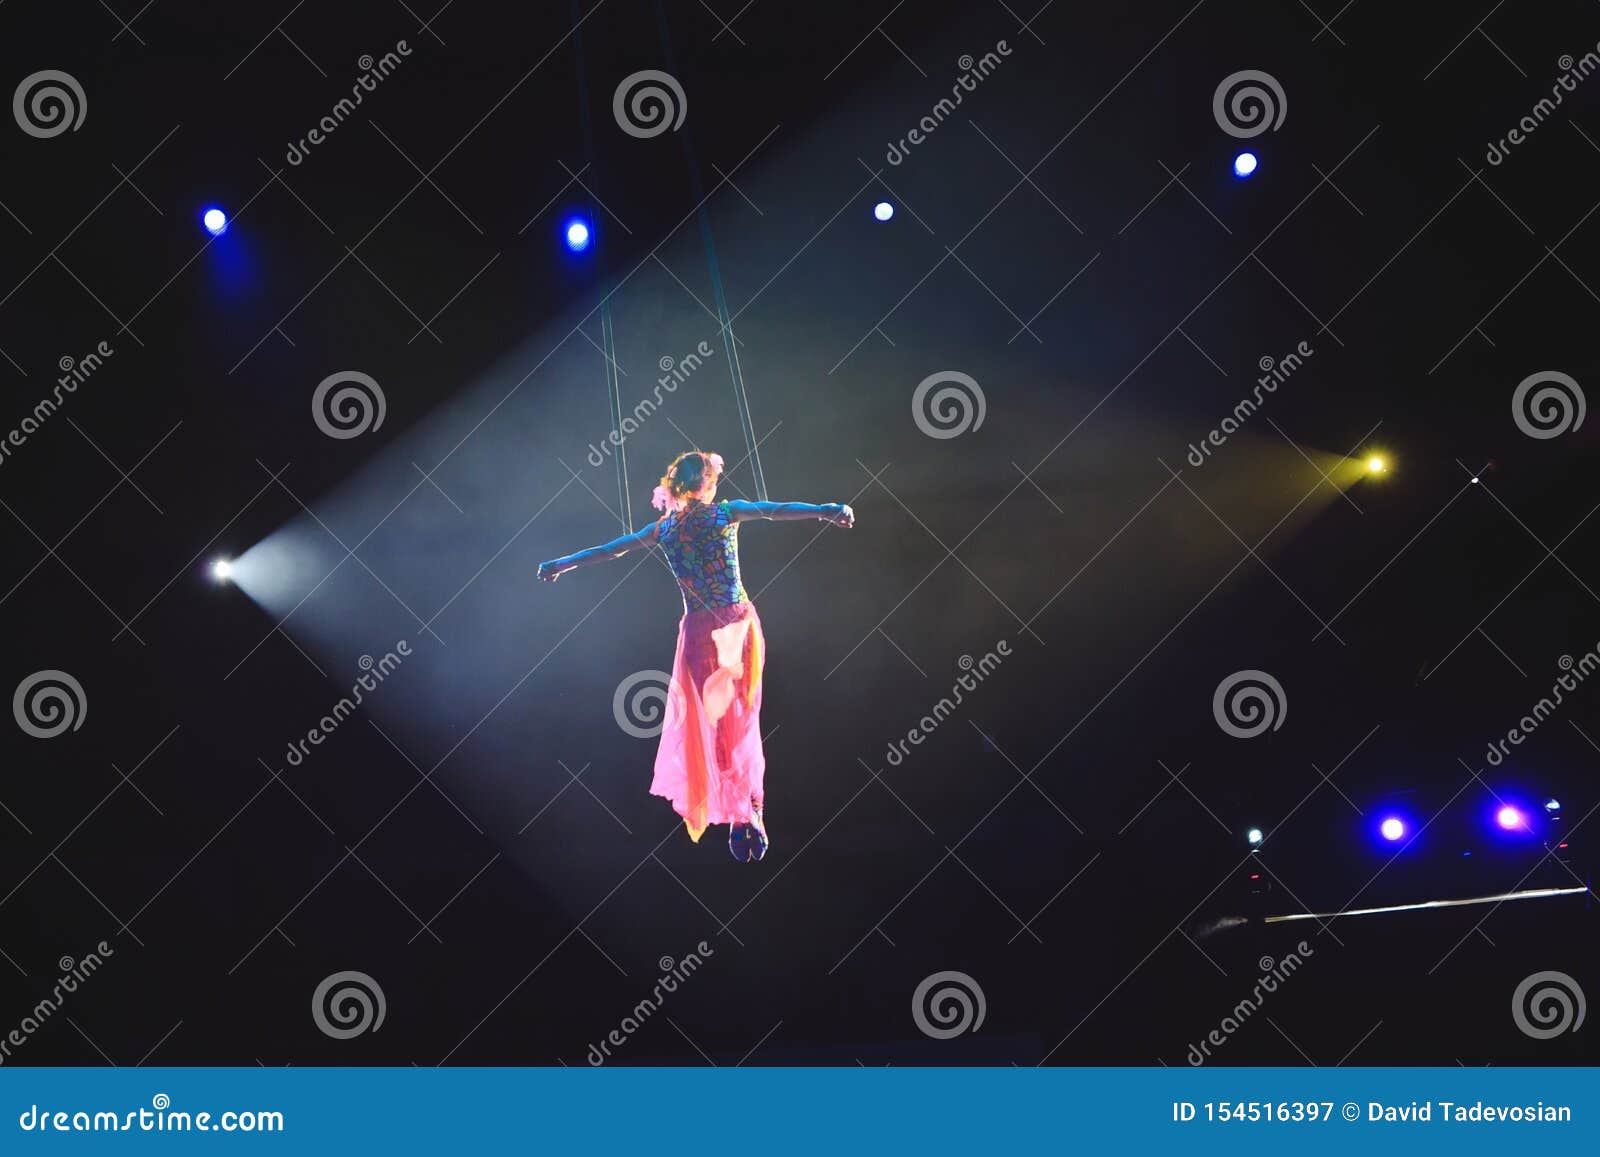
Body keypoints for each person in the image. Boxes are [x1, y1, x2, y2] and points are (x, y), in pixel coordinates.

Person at [537, 451, 855, 860]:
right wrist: (826, 510)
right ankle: (748, 810)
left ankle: (746, 809)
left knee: (720, 722)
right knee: (741, 717)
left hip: (698, 634)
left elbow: (612, 549)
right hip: (735, 627)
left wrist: (562, 563)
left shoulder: (663, 529)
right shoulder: (725, 514)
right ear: (707, 483)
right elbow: (776, 510)